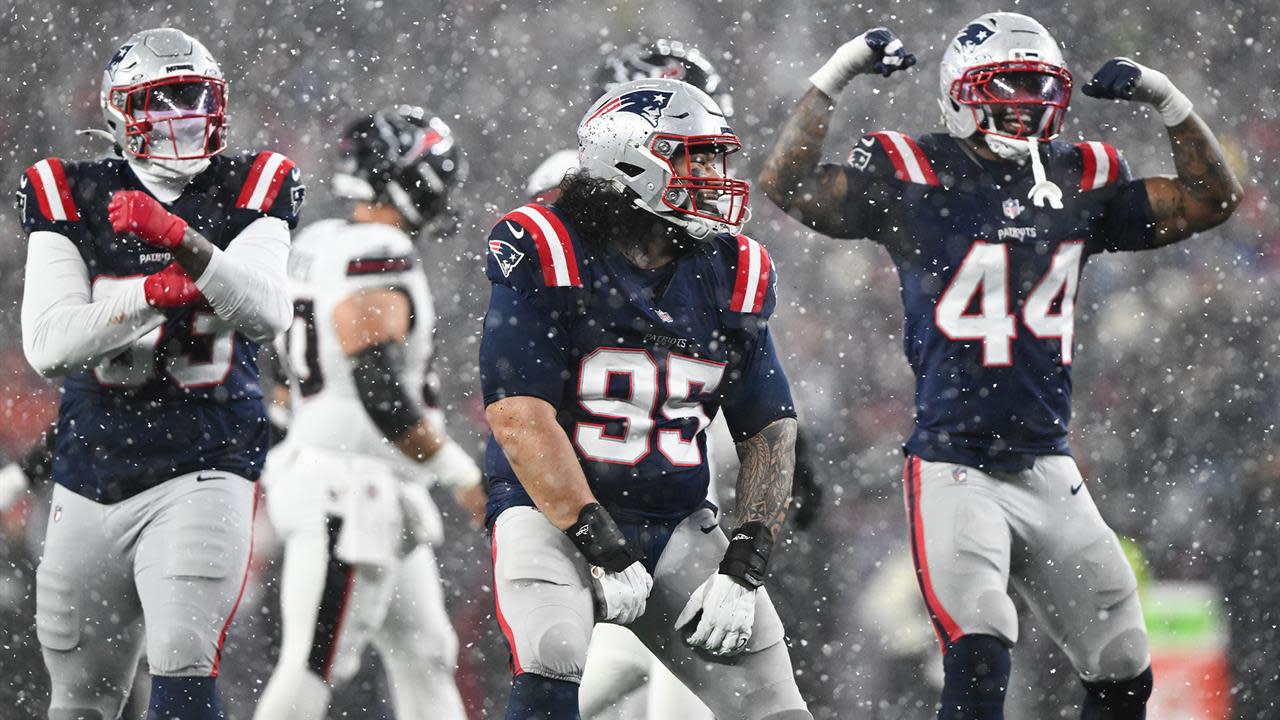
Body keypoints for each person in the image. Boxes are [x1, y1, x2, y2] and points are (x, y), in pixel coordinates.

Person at [757, 12, 1241, 720]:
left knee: (1122, 663)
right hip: (955, 466)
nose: (1026, 103)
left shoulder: (1079, 177)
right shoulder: (915, 173)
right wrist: (836, 73)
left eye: (1037, 87)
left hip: (1048, 463)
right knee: (980, 646)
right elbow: (788, 183)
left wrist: (1168, 99)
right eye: (1006, 86)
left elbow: (1211, 199)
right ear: (960, 93)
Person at [481, 78, 811, 720]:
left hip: (675, 518)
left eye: (717, 161)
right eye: (698, 160)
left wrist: (745, 564)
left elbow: (769, 429)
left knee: (775, 702)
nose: (717, 179)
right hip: (554, 515)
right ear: (633, 163)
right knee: (553, 651)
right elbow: (517, 416)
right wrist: (598, 540)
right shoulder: (550, 247)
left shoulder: (730, 268)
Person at [18, 27, 304, 720]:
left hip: (205, 461)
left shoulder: (252, 184)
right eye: (164, 99)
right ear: (121, 113)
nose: (185, 115)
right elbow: (49, 347)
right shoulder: (69, 191)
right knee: (79, 699)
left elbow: (267, 313)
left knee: (183, 659)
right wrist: (152, 294)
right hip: (90, 469)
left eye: (196, 96)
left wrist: (182, 239)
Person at [253, 106, 485, 720]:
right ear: (411, 179)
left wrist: (293, 440)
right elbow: (377, 389)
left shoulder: (315, 241)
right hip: (350, 490)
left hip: (361, 479)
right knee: (314, 665)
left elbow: (277, 369)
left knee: (426, 652)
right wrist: (460, 474)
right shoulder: (378, 251)